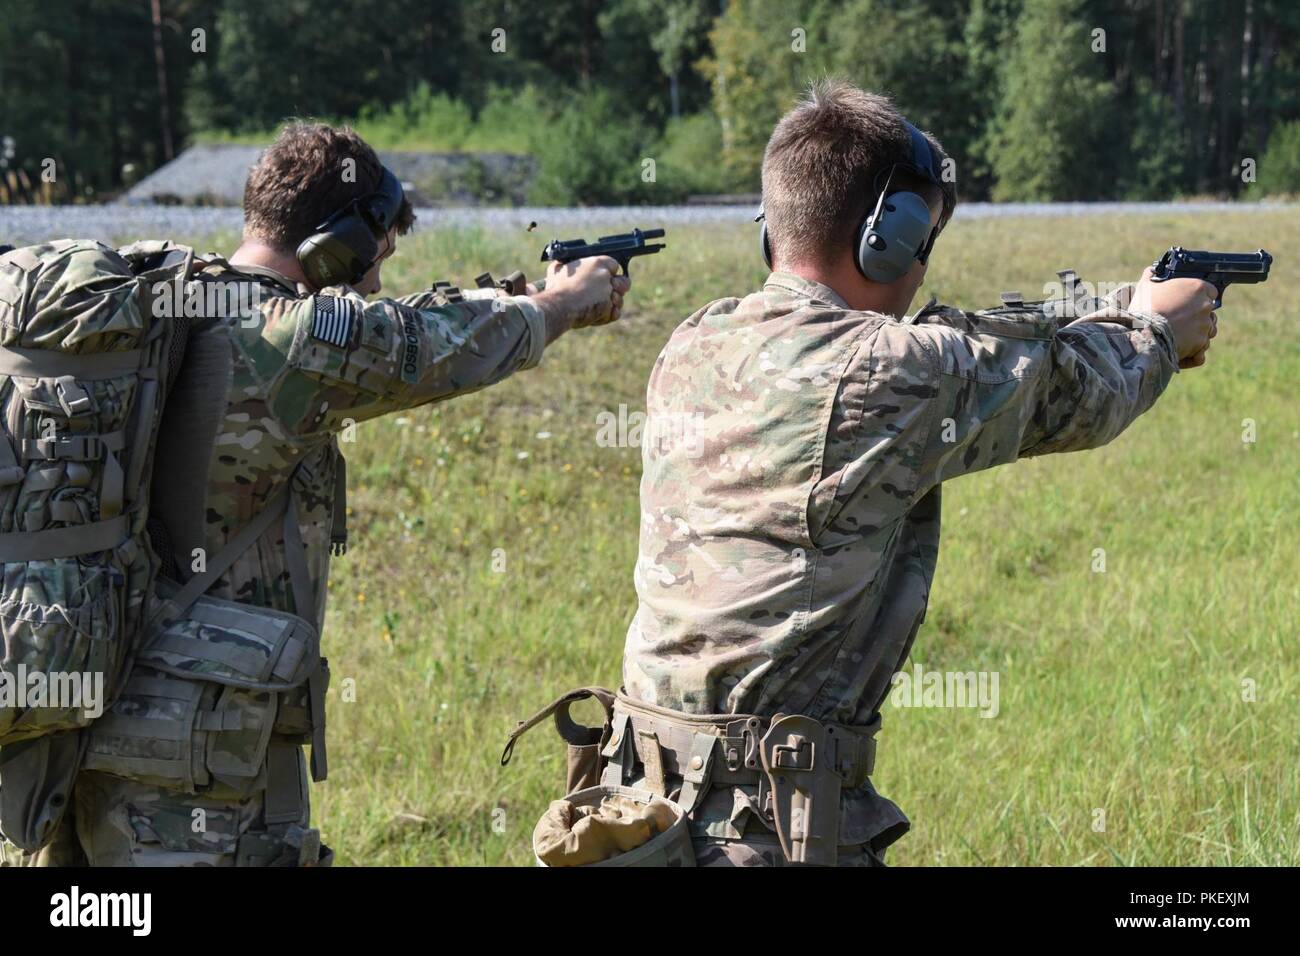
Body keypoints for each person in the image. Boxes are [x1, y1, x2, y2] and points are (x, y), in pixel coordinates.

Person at [613, 79, 1217, 866]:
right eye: (922, 236)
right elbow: (1079, 395)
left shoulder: (695, 343)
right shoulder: (891, 373)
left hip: (639, 812)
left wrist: (1108, 307)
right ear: (885, 237)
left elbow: (955, 343)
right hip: (763, 834)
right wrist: (1158, 329)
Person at [0, 121, 629, 866]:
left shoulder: (180, 307)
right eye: (376, 259)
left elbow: (396, 327)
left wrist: (503, 295)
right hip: (191, 755)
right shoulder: (290, 341)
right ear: (340, 247)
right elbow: (421, 349)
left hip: (82, 721)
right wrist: (565, 304)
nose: (378, 281)